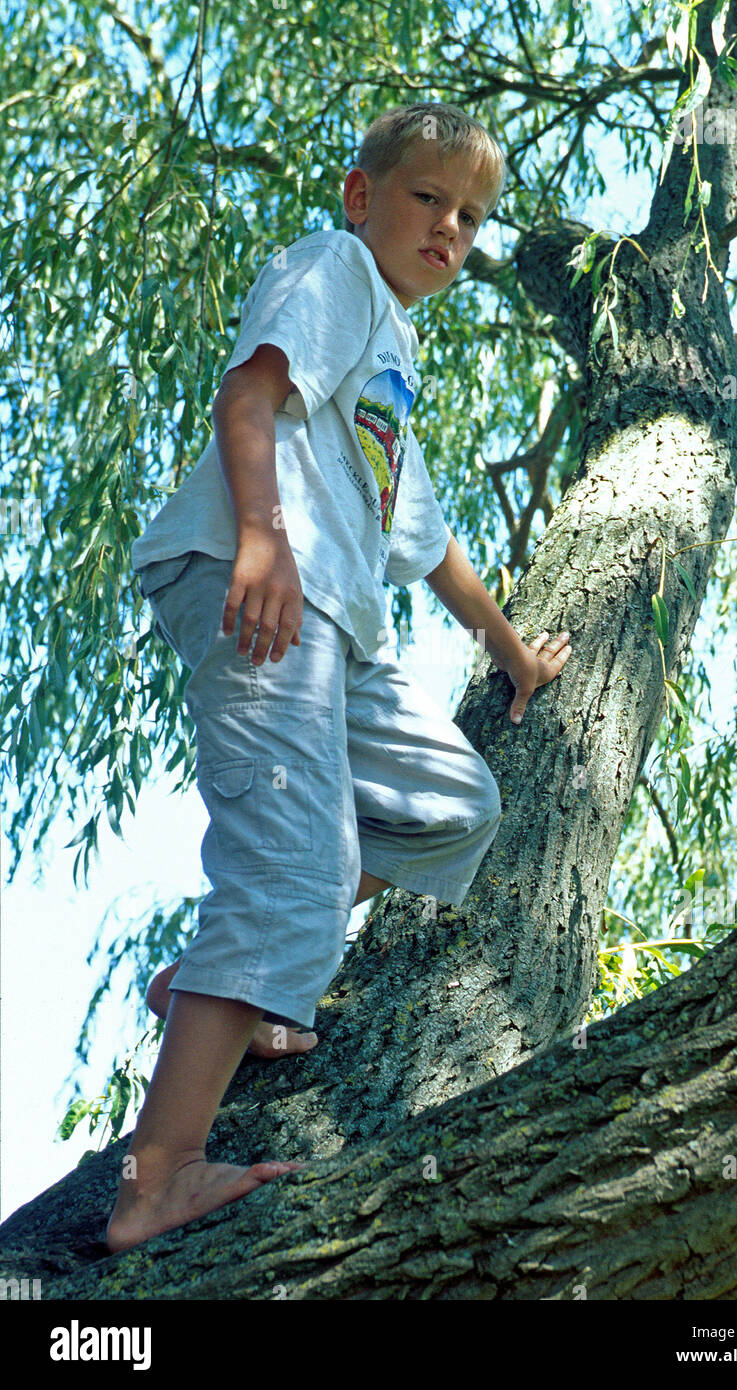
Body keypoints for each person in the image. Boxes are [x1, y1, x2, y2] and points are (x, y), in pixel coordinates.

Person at [107, 102, 571, 1254]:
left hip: (340, 633)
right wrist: (262, 534)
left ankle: (234, 971)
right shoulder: (329, 271)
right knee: (298, 870)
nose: (451, 229)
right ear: (364, 198)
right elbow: (247, 395)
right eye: (429, 199)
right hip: (260, 580)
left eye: (472, 217)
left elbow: (424, 540)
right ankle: (153, 1178)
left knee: (460, 807)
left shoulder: (395, 364)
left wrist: (510, 649)